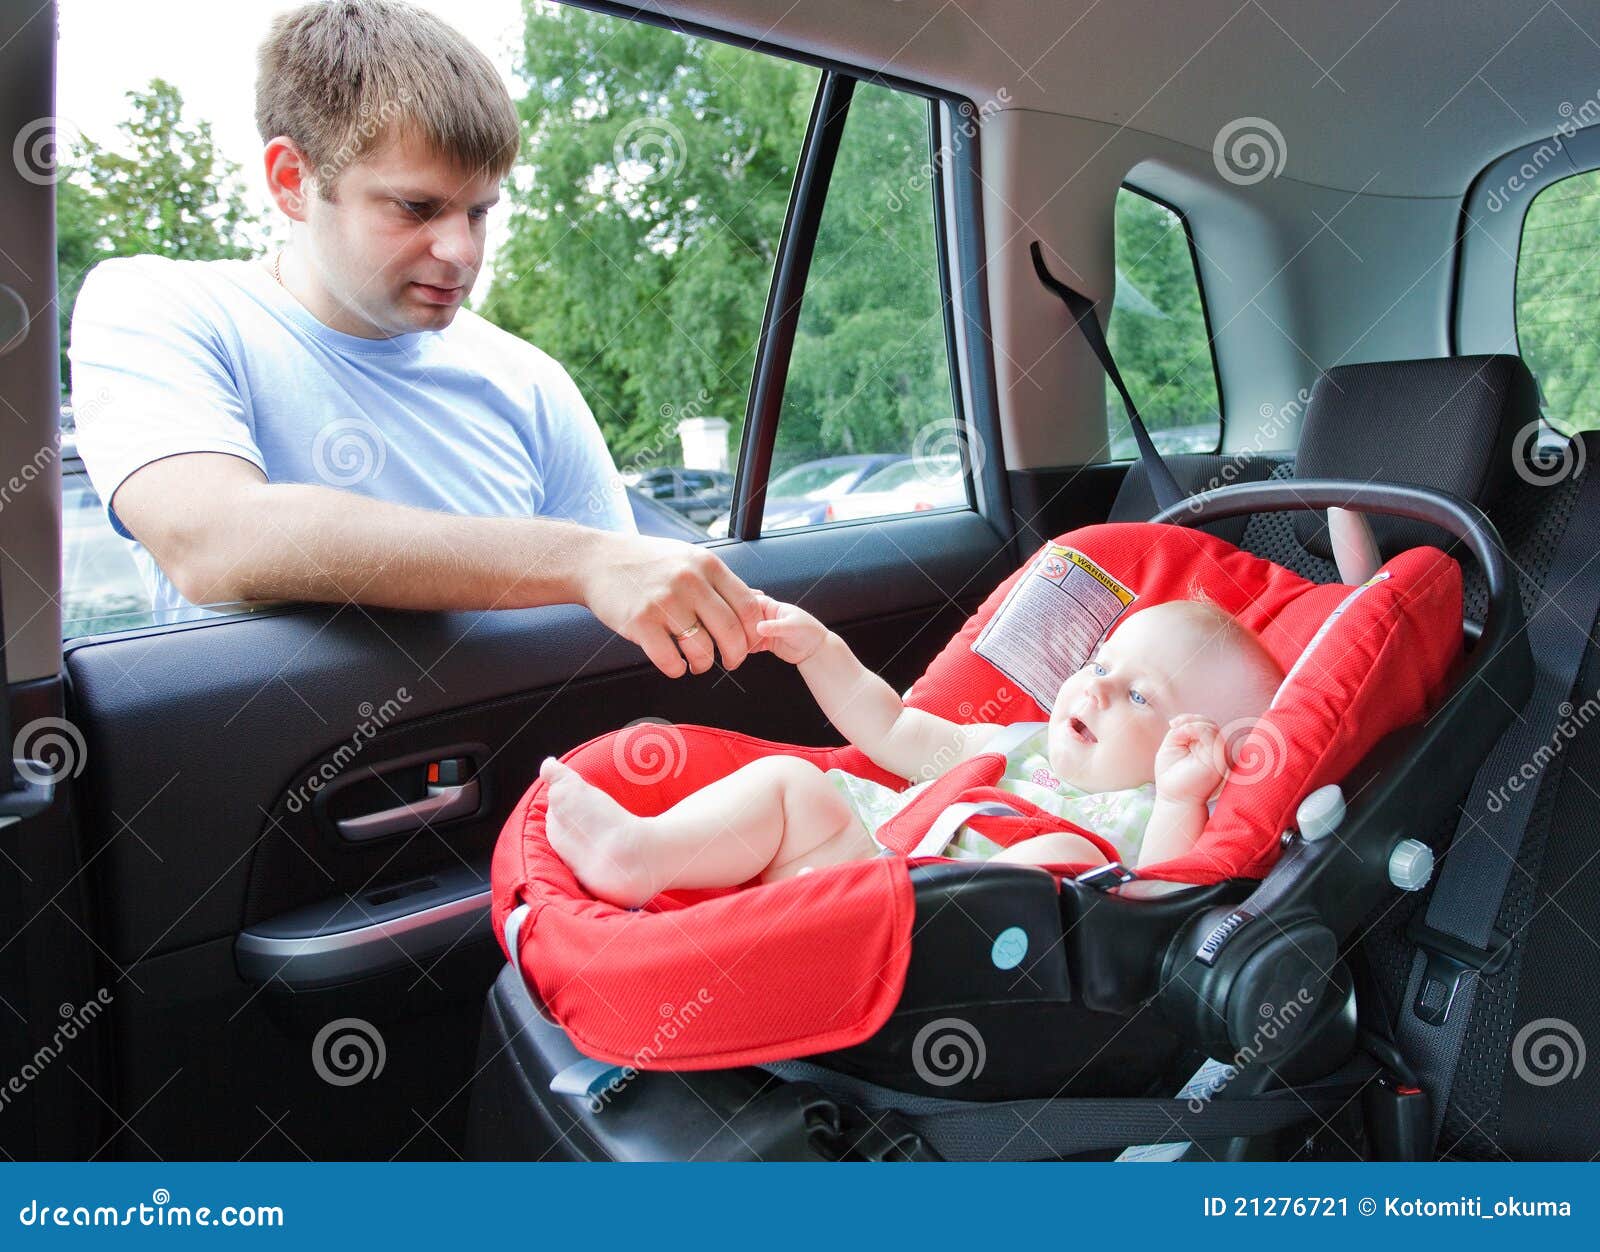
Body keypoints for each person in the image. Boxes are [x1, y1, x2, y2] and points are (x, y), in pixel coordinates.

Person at [67, 0, 760, 678]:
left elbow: (618, 628)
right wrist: (582, 561)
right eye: (417, 208)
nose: (461, 250)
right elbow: (211, 539)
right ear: (292, 181)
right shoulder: (160, 306)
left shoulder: (529, 380)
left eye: (480, 211)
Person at [541, 595, 1286, 908]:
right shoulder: (1014, 748)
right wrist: (821, 652)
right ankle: (644, 854)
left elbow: (1158, 895)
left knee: (1053, 853)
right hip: (854, 871)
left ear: (1193, 752)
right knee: (791, 783)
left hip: (945, 954)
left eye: (1140, 697)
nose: (1092, 692)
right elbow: (892, 730)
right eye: (1097, 667)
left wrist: (1185, 795)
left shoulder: (1152, 816)